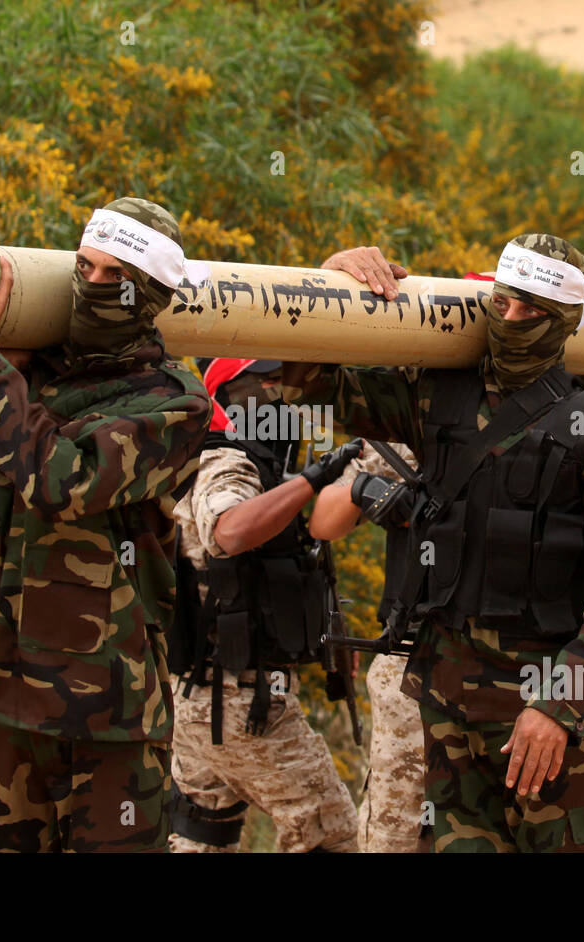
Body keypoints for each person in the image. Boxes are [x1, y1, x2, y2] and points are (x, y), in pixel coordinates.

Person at [283, 236, 584, 853]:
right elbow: (314, 382)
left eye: (531, 312)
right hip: (447, 707)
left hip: (543, 717)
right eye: (503, 303)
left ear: (564, 321)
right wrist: (323, 282)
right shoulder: (436, 398)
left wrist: (559, 710)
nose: (510, 321)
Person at [0, 197, 212, 852]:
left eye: (117, 277)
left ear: (154, 293)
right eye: (86, 267)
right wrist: (1, 378)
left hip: (108, 712)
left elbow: (65, 483)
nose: (94, 285)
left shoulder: (175, 402)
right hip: (5, 697)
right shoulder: (26, 381)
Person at [166, 357, 363, 853]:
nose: (279, 396)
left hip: (209, 696)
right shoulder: (224, 459)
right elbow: (229, 532)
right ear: (229, 394)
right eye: (266, 383)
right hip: (235, 699)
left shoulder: (260, 464)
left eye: (282, 382)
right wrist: (313, 480)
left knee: (202, 837)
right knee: (329, 831)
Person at [308, 441, 427, 854]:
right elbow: (323, 521)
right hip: (414, 667)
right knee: (397, 836)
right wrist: (367, 488)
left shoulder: (556, 422)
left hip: (517, 666)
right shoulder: (409, 440)